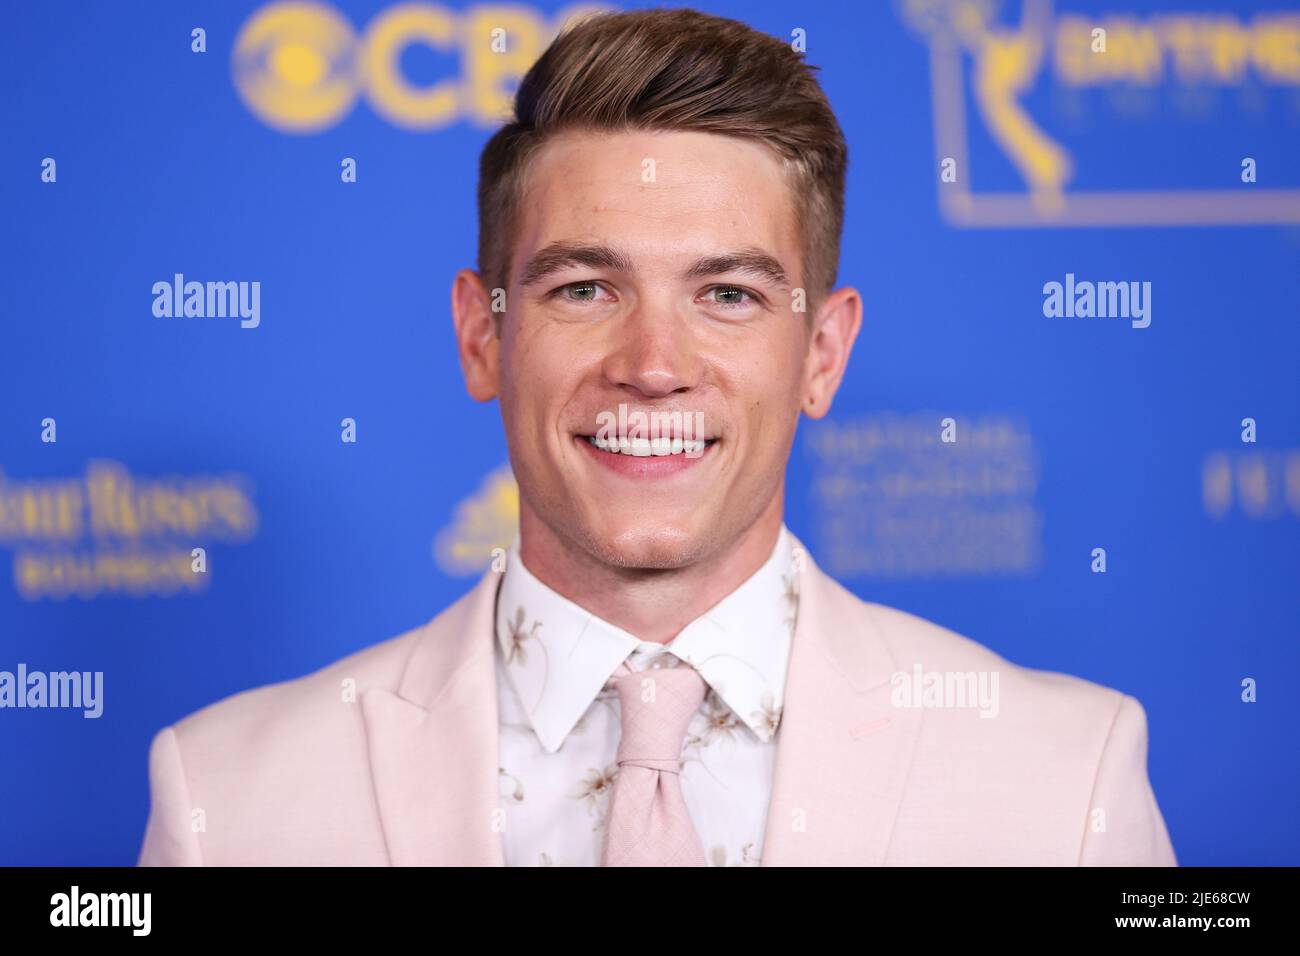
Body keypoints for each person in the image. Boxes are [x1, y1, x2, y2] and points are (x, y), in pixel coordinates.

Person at [138, 8, 1176, 867]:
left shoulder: (1063, 775)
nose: (650, 360)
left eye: (726, 292)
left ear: (821, 351)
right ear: (480, 335)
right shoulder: (227, 796)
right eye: (585, 287)